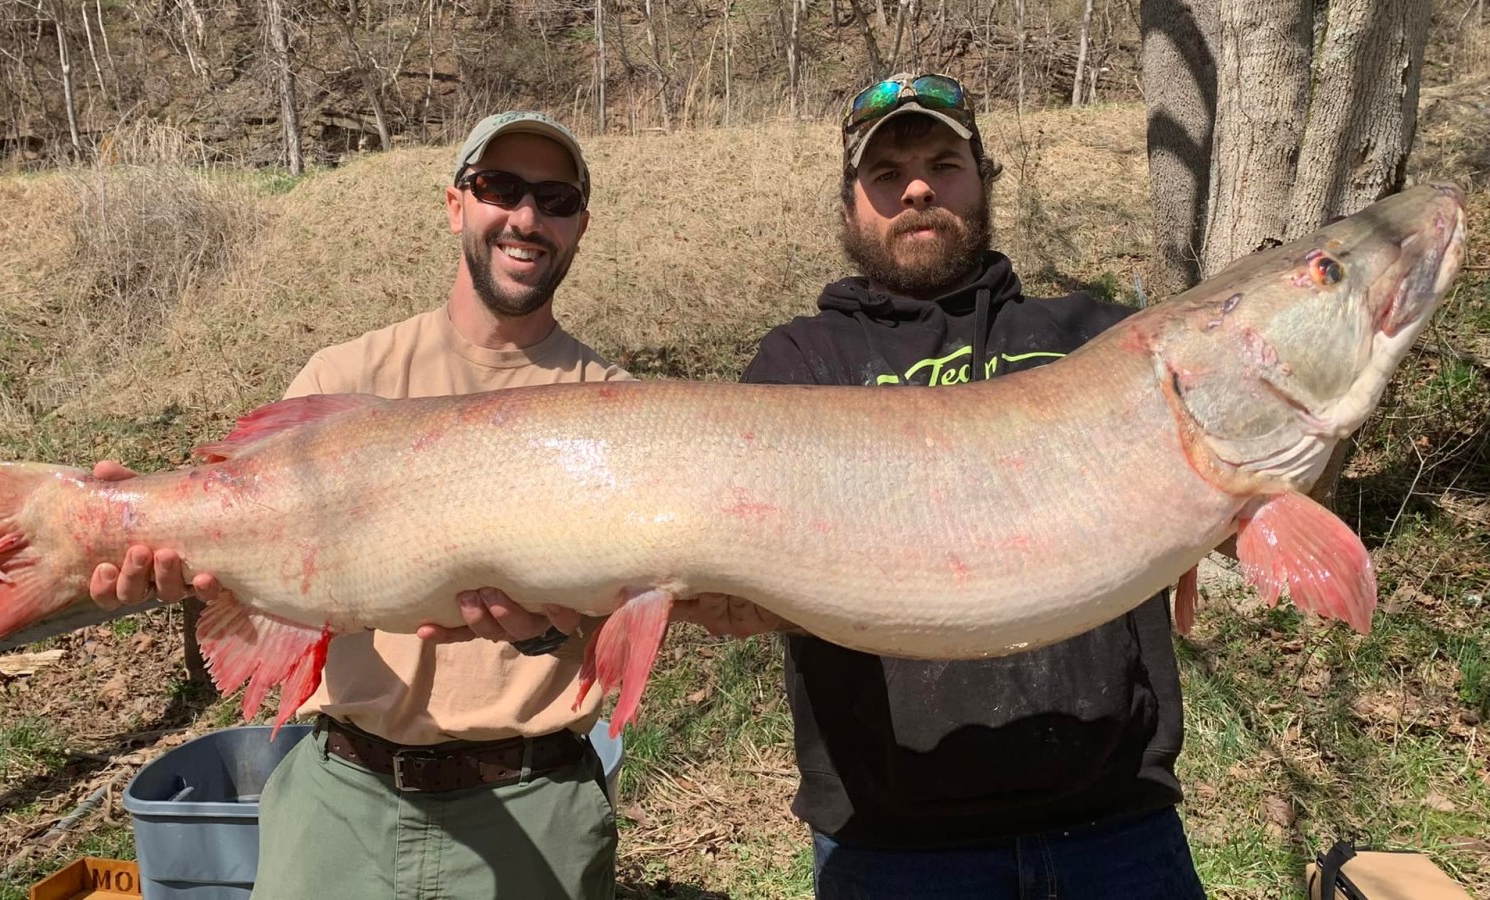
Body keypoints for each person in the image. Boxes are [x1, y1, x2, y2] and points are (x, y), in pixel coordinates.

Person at [89, 111, 626, 900]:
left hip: (536, 798)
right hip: (339, 798)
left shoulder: (619, 407)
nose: (526, 217)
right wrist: (155, 552)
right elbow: (247, 557)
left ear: (580, 226)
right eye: (499, 188)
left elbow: (636, 617)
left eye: (555, 199)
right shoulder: (345, 376)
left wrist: (554, 630)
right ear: (455, 205)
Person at [729, 73, 1209, 898]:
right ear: (851, 207)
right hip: (894, 850)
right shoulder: (797, 367)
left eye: (943, 163)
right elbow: (741, 584)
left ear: (984, 179)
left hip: (1117, 824)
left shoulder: (1092, 339)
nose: (917, 188)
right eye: (886, 176)